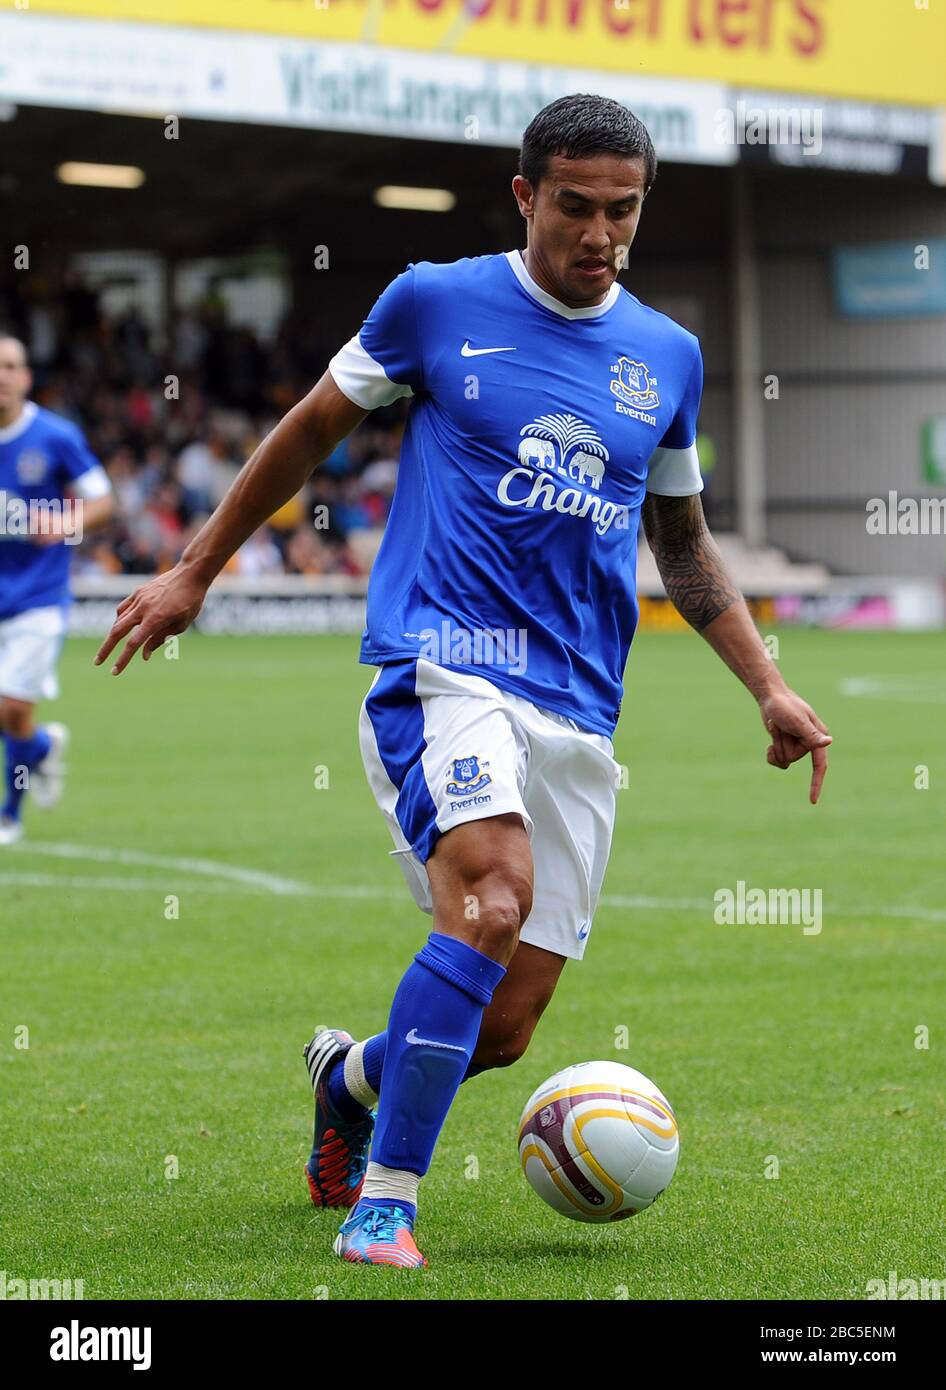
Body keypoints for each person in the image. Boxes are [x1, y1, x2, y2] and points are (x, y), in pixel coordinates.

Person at [95, 94, 832, 1268]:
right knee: (488, 901)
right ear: (525, 195)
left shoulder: (667, 356)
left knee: (503, 1026)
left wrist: (767, 685)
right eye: (577, 208)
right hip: (443, 663)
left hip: (579, 704)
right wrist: (191, 570)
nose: (599, 235)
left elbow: (683, 547)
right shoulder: (437, 299)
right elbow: (307, 430)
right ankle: (384, 1201)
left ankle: (349, 1080)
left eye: (623, 211)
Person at [0, 335, 114, 844]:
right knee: (15, 713)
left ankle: (10, 815)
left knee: (11, 707)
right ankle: (41, 749)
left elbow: (103, 500)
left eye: (10, 366)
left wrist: (66, 521)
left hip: (37, 598)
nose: (2, 376)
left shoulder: (54, 435)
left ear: (26, 377)